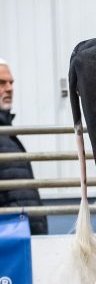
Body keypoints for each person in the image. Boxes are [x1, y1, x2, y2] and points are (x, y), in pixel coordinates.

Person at [0, 59, 48, 235]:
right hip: (10, 239)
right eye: (1, 83)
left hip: (23, 234)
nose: (10, 88)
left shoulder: (8, 134)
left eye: (11, 82)